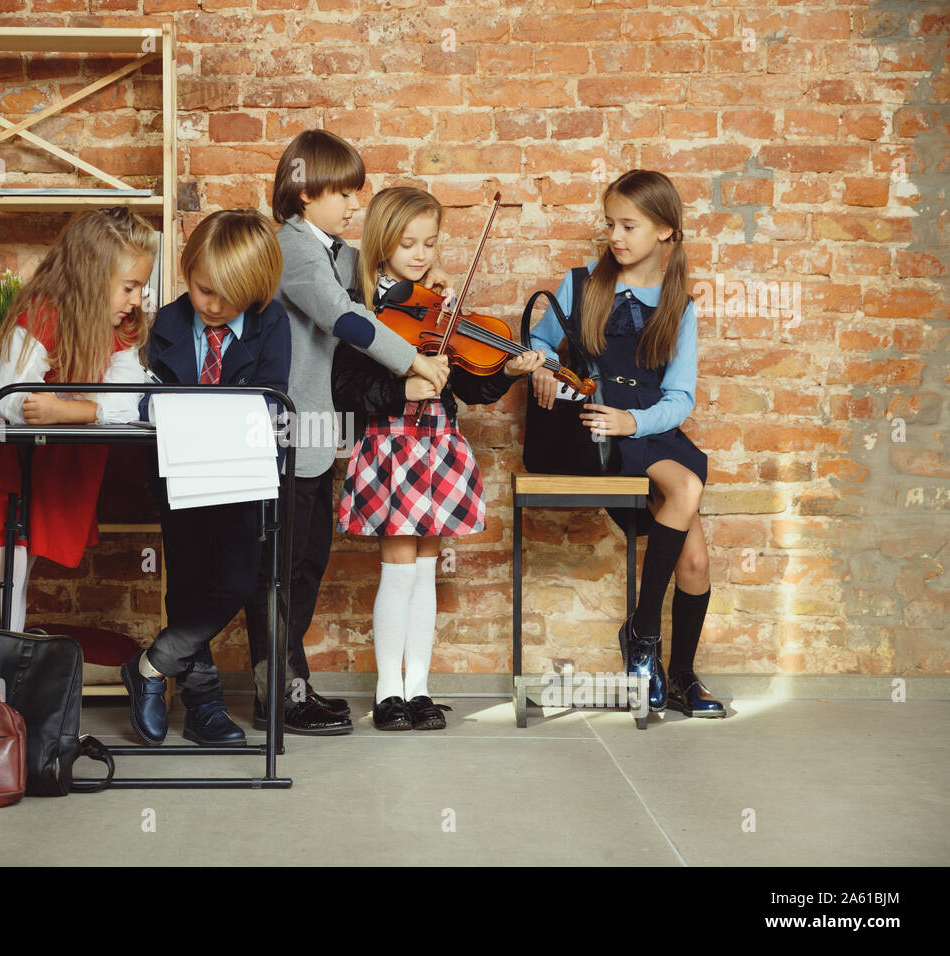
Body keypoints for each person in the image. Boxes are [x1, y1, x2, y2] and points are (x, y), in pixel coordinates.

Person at [244, 129, 453, 735]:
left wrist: (425, 280)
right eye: (343, 193)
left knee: (306, 563)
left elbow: (373, 289)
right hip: (287, 429)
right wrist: (411, 361)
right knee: (281, 568)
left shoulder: (331, 248)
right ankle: (279, 691)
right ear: (304, 193)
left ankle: (289, 683)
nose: (354, 205)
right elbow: (344, 315)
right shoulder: (293, 249)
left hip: (317, 431)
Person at [333, 187, 544, 730]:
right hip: (392, 445)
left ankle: (419, 688)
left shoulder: (436, 310)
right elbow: (345, 386)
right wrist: (402, 391)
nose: (421, 255)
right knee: (398, 570)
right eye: (408, 244)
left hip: (440, 443)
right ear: (381, 242)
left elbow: (472, 388)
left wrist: (507, 372)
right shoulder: (365, 311)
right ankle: (387, 693)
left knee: (426, 571)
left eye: (429, 243)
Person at [527, 169, 725, 718]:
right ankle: (642, 638)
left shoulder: (680, 302)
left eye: (629, 225)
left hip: (648, 427)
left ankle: (680, 675)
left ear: (664, 231)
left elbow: (681, 397)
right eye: (610, 223)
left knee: (697, 563)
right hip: (597, 428)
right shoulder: (581, 284)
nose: (616, 235)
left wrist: (634, 423)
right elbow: (538, 344)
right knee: (686, 486)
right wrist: (543, 367)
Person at [0, 207, 157, 632]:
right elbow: (14, 401)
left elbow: (129, 403)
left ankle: (0, 677)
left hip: (51, 449)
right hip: (5, 450)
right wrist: (69, 411)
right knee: (6, 567)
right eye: (129, 287)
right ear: (91, 274)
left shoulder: (124, 327)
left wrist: (68, 410)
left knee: (21, 565)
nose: (136, 300)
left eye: (140, 288)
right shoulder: (41, 314)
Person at [120, 210, 290, 746]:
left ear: (257, 289)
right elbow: (141, 398)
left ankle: (150, 665)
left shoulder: (271, 324)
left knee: (238, 582)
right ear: (187, 270)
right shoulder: (164, 323)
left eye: (228, 296)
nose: (213, 306)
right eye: (203, 290)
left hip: (241, 478)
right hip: (178, 476)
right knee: (189, 587)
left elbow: (270, 401)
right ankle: (204, 705)